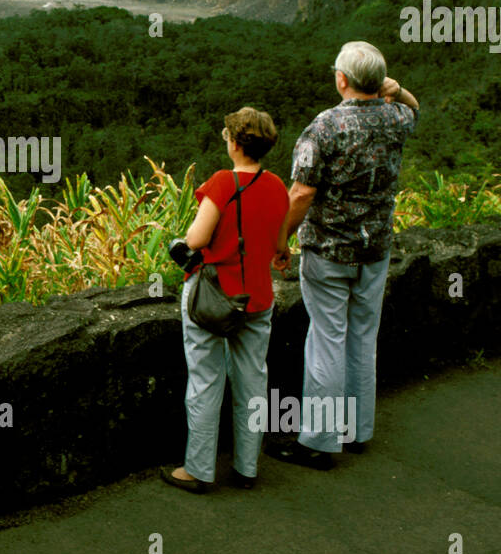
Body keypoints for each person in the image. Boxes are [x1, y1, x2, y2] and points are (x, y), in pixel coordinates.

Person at [268, 40, 419, 470]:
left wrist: (282, 241)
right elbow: (415, 108)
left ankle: (318, 440)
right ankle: (357, 429)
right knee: (362, 336)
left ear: (341, 79)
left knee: (326, 340)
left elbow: (301, 192)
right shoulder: (396, 117)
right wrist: (398, 89)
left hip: (330, 250)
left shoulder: (325, 127)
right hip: (376, 248)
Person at [161, 107, 290, 493]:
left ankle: (198, 469)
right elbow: (280, 245)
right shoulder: (277, 186)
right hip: (257, 297)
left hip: (213, 298)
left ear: (234, 143)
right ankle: (247, 467)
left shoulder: (221, 183)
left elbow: (197, 239)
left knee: (205, 381)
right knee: (253, 381)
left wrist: (181, 241)